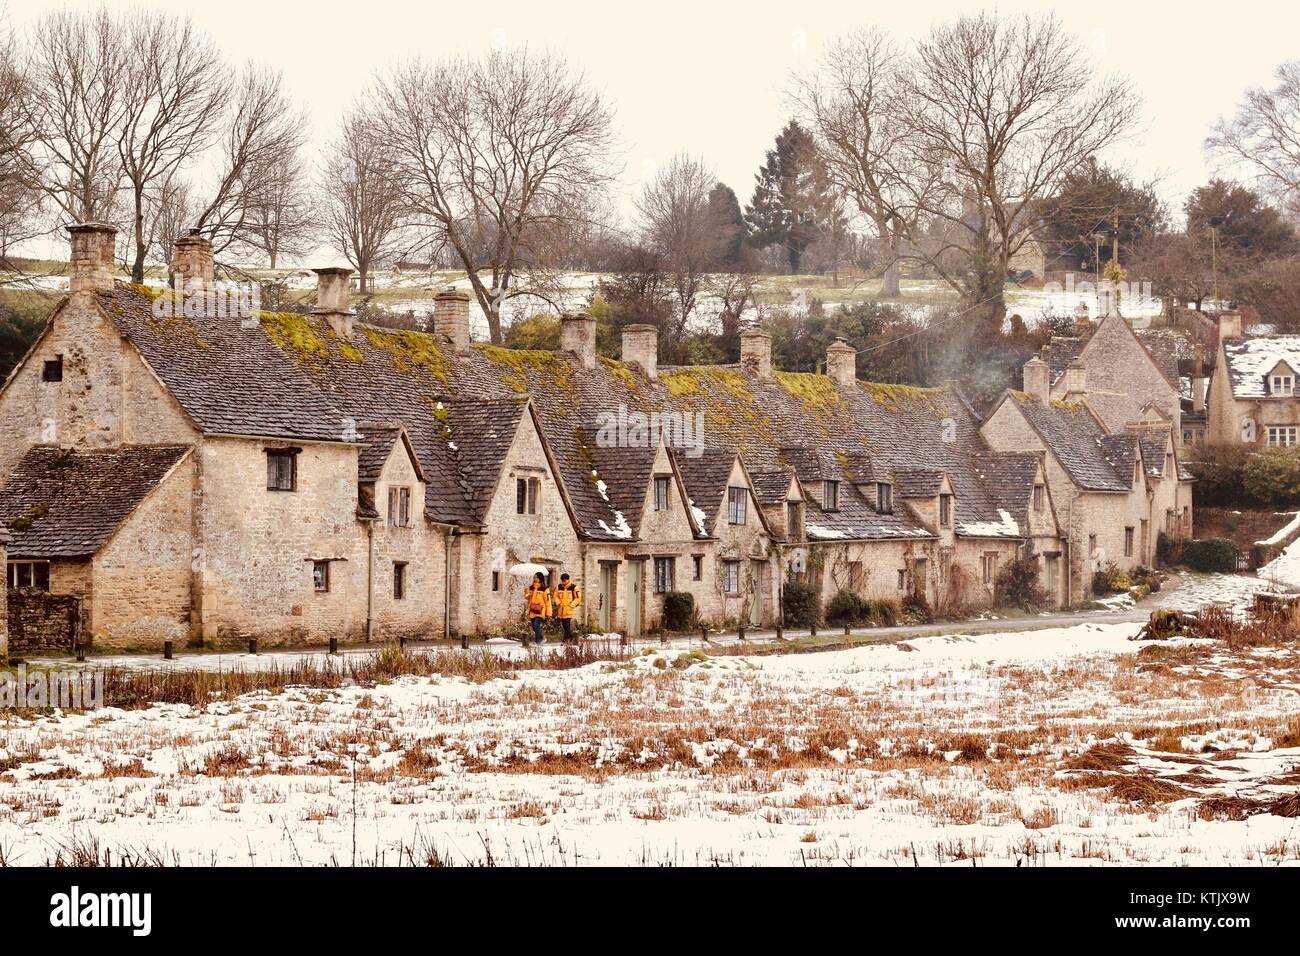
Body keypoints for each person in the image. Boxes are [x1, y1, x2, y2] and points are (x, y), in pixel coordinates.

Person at [552, 573, 582, 643]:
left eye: (565, 580)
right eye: (562, 581)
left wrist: (572, 605)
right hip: (561, 609)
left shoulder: (574, 587)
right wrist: (558, 603)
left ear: (568, 580)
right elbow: (555, 596)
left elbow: (578, 598)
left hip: (569, 610)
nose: (563, 582)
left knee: (567, 625)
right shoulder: (559, 587)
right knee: (565, 626)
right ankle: (571, 637)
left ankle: (564, 640)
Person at [524, 572, 551, 644]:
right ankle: (541, 637)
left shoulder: (544, 589)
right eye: (534, 577)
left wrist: (548, 612)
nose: (535, 579)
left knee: (536, 625)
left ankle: (537, 641)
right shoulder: (531, 587)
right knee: (534, 626)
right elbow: (527, 598)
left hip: (540, 609)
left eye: (536, 577)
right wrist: (527, 593)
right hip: (533, 609)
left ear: (540, 578)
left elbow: (548, 601)